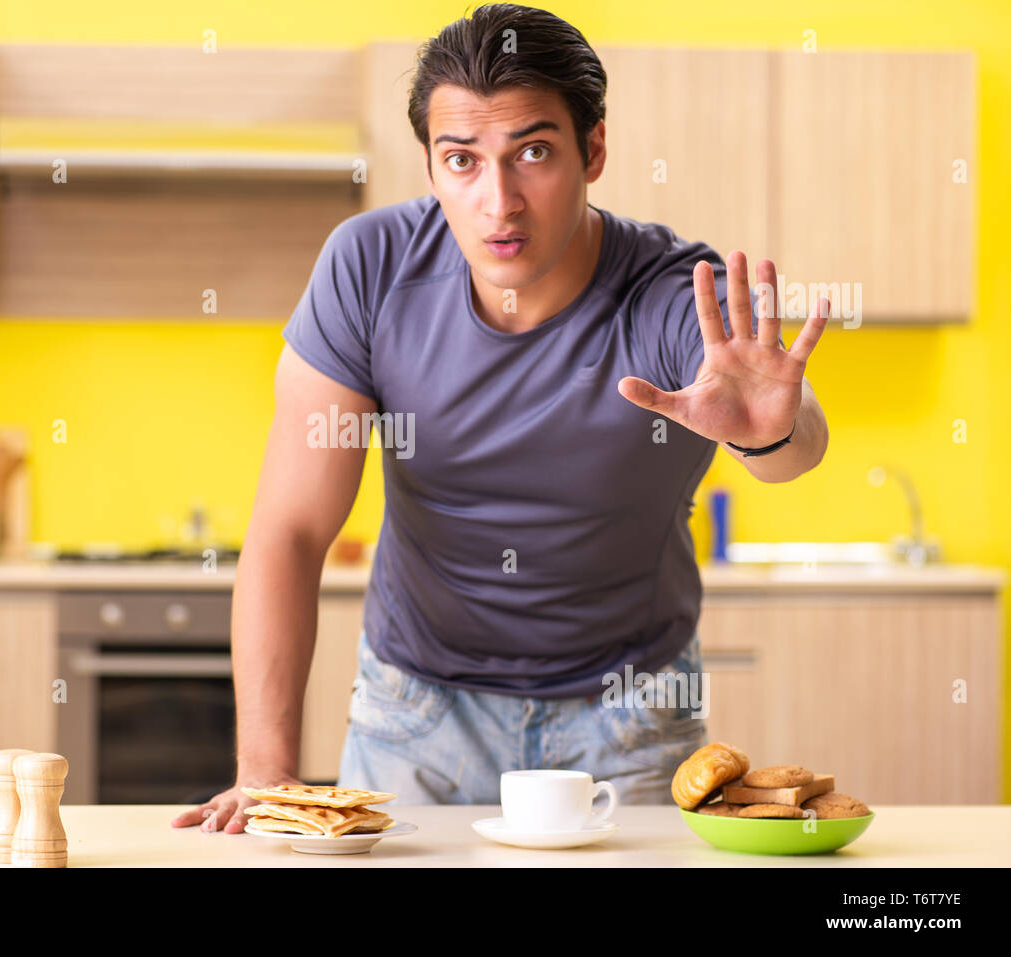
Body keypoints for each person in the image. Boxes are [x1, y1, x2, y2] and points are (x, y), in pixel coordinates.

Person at [172, 3, 828, 834]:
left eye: (534, 153)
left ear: (592, 150)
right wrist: (265, 773)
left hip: (630, 717)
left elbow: (788, 450)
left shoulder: (670, 294)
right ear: (431, 166)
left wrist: (768, 425)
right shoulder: (367, 269)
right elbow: (290, 532)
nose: (499, 202)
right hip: (415, 713)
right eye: (463, 160)